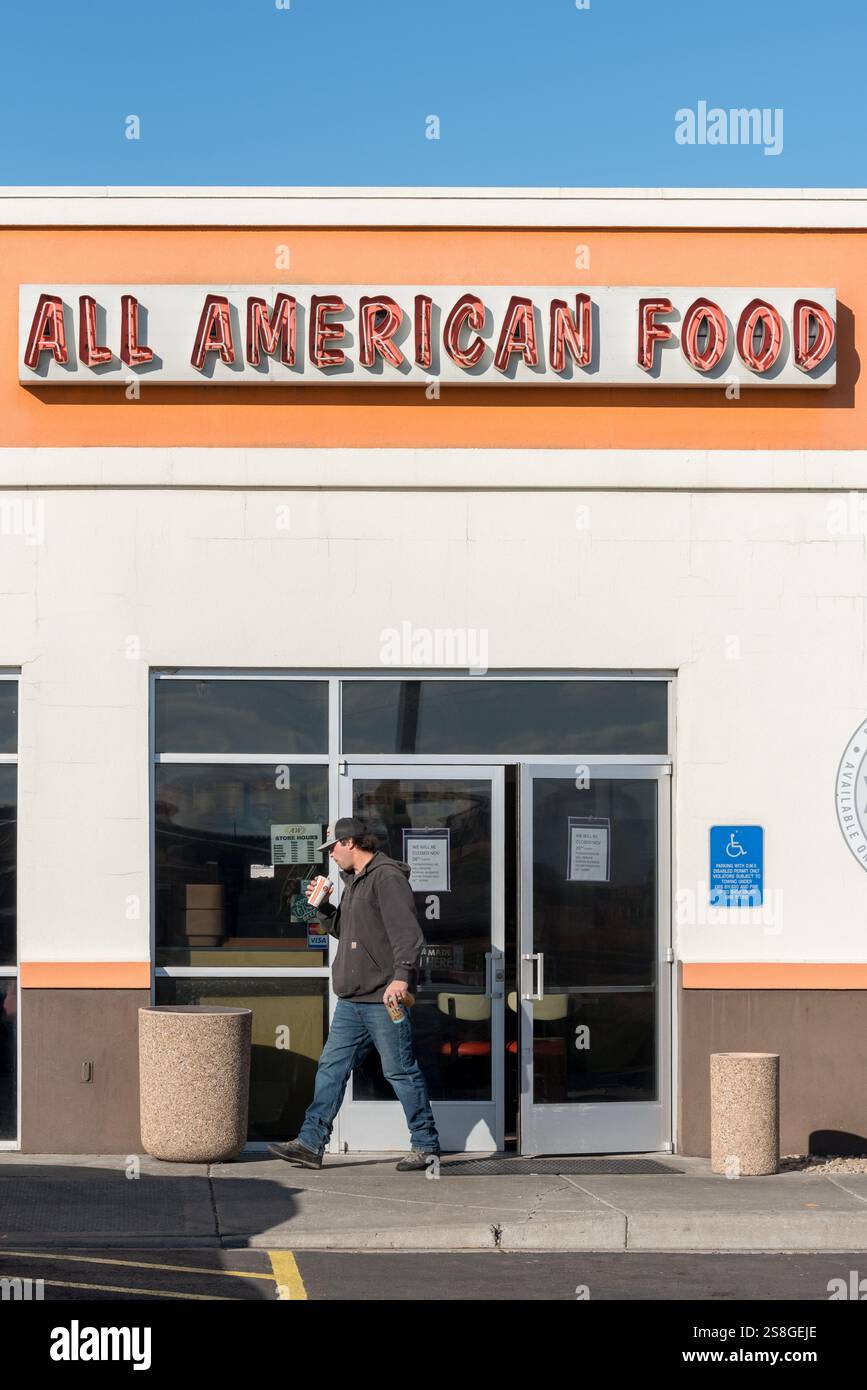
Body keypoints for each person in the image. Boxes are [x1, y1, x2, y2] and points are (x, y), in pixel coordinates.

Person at [268, 817, 441, 1172]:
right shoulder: (353, 881)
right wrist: (324, 907)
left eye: (332, 847)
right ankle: (310, 1144)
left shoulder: (387, 877)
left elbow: (407, 934)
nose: (330, 855)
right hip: (351, 1001)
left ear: (349, 843)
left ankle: (426, 1145)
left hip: (382, 998)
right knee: (331, 1070)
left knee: (400, 1072)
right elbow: (345, 932)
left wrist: (402, 976)